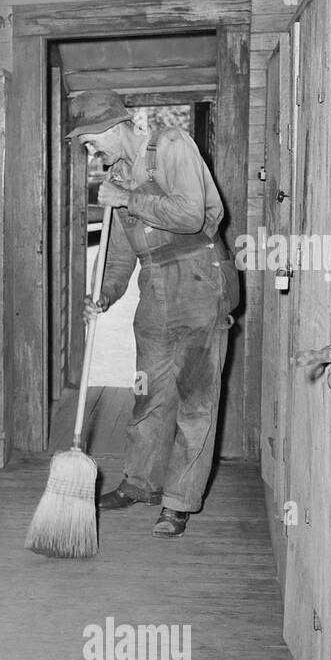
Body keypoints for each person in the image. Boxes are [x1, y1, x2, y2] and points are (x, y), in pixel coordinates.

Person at [67, 90, 240, 538]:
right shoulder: (119, 175)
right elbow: (122, 255)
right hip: (154, 287)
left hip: (199, 278)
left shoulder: (170, 145)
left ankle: (178, 501)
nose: (91, 153)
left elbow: (190, 214)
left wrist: (127, 198)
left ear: (111, 127)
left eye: (90, 142)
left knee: (196, 400)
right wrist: (103, 294)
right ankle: (141, 483)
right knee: (149, 392)